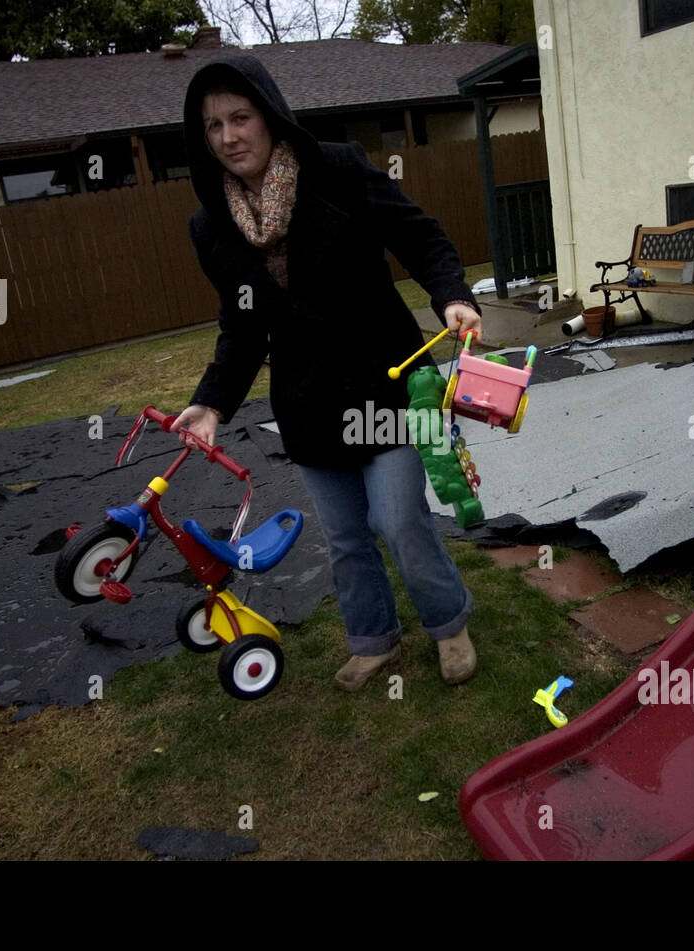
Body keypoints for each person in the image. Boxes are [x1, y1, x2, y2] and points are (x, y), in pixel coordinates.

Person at [169, 55, 483, 690]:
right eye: (213, 126)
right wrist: (213, 403)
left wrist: (452, 294)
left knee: (397, 520)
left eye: (240, 117)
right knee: (344, 538)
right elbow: (243, 323)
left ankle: (448, 626)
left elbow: (419, 236)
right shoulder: (211, 226)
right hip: (307, 401)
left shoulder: (337, 170)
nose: (228, 137)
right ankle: (374, 641)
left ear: (270, 116)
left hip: (384, 383)